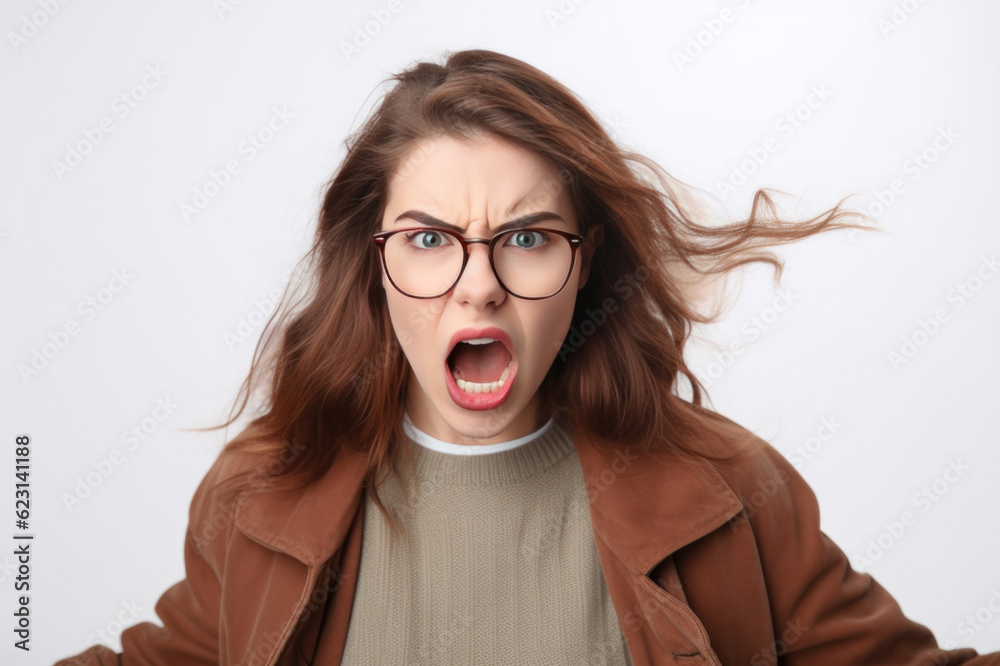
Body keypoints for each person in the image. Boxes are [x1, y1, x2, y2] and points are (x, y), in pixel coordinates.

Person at [55, 49, 999, 666]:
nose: (478, 288)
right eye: (428, 241)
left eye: (527, 237)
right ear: (371, 264)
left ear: (585, 264)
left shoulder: (728, 495)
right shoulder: (263, 497)